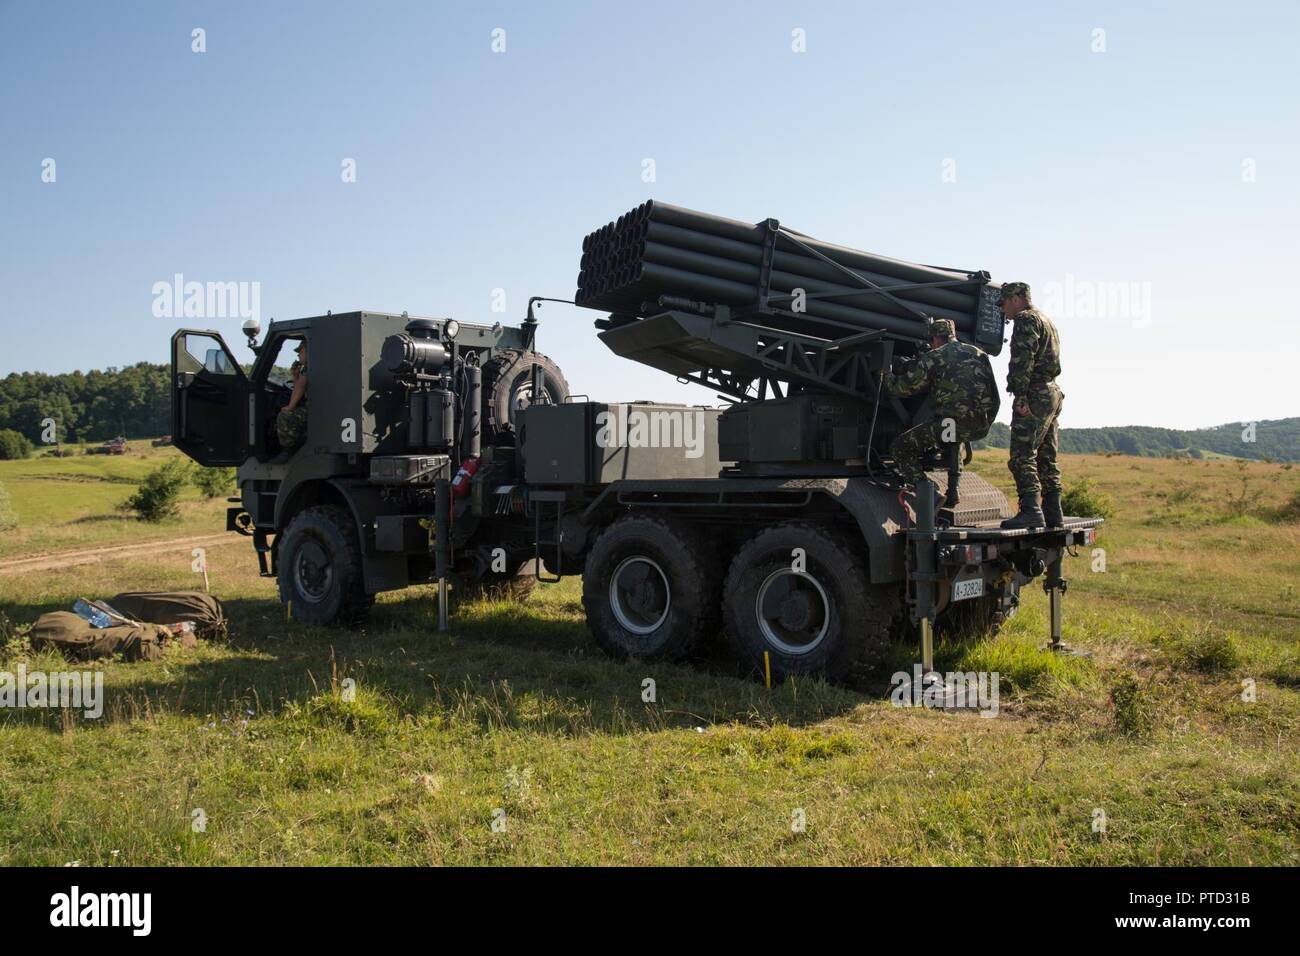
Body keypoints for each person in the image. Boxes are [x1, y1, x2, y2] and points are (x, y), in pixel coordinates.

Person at [884, 318, 999, 502]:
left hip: (951, 425)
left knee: (900, 447)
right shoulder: (979, 354)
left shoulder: (935, 356)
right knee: (952, 437)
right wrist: (987, 420)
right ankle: (953, 492)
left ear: (935, 338)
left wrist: (887, 376)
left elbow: (904, 388)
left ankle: (930, 496)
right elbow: (995, 397)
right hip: (979, 424)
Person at [998, 281, 1063, 529]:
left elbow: (1022, 360)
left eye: (1004, 303)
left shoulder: (1025, 320)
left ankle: (1031, 510)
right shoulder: (1046, 320)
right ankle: (1053, 513)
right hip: (1052, 392)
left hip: (1035, 393)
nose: (1003, 310)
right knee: (1047, 457)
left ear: (1016, 298)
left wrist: (1020, 396)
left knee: (1021, 456)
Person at [275, 338, 309, 457]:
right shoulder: (310, 368)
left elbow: (301, 386)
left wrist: (290, 407)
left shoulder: (310, 367)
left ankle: (288, 451)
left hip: (316, 410)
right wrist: (295, 377)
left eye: (301, 351)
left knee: (284, 416)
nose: (298, 354)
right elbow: (299, 386)